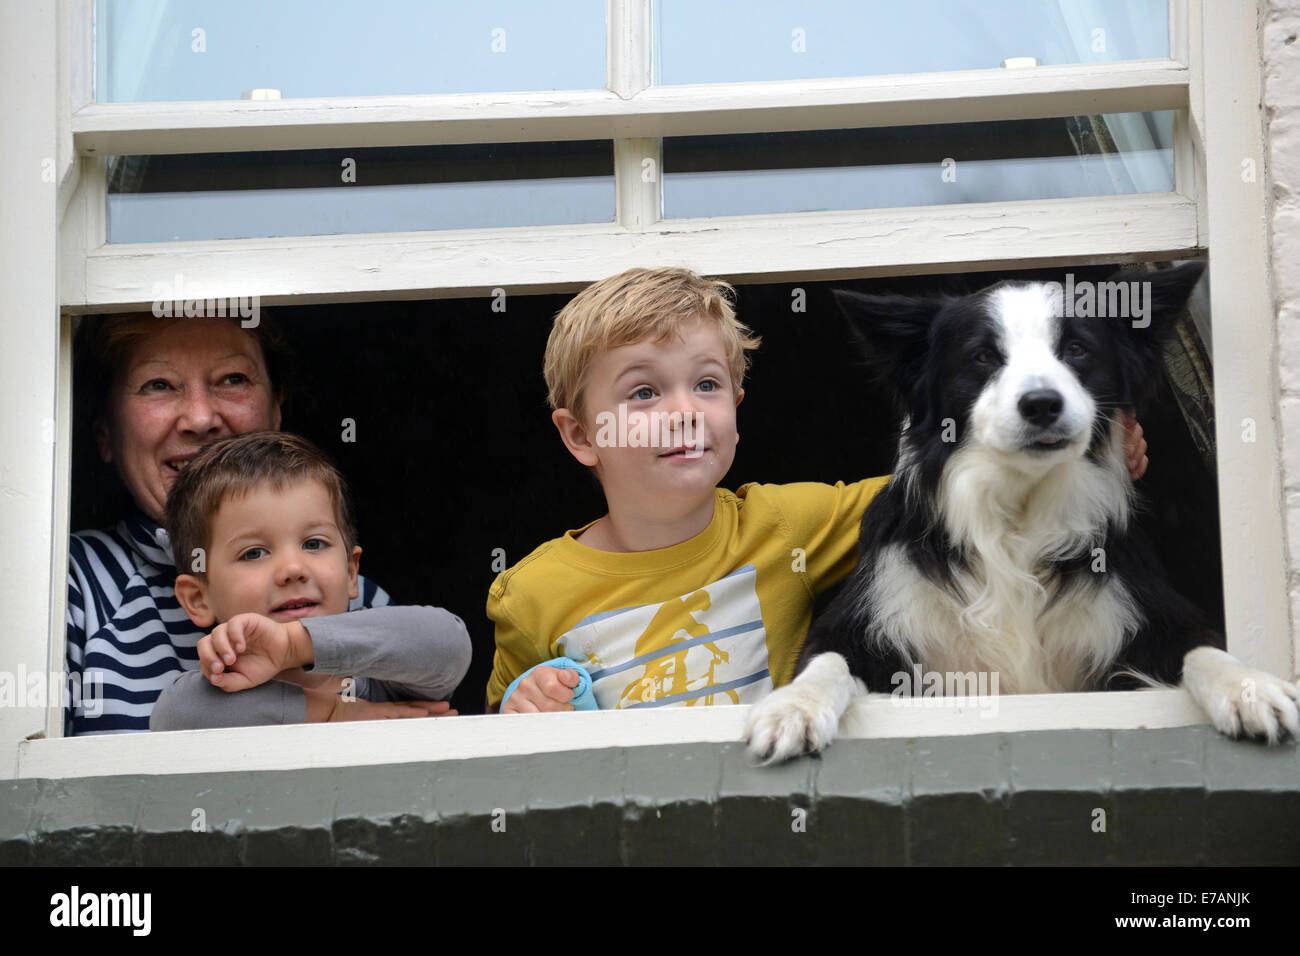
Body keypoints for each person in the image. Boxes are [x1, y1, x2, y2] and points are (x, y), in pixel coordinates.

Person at [487, 268, 1151, 714]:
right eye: (643, 391)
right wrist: (524, 699)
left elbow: (946, 489)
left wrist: (1060, 445)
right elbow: (493, 731)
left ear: (738, 407)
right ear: (580, 436)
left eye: (708, 384)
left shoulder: (786, 524)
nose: (685, 410)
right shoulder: (531, 592)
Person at [65, 313, 394, 734]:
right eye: (159, 385)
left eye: (232, 379)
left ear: (276, 411)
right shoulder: (69, 588)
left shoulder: (342, 594)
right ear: (105, 433)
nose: (201, 419)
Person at [149, 432, 470, 730]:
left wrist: (292, 645)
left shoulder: (387, 684)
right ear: (198, 599)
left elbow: (448, 642)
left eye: (314, 544)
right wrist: (331, 714)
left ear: (350, 573)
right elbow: (176, 713)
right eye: (254, 553)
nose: (293, 568)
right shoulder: (219, 703)